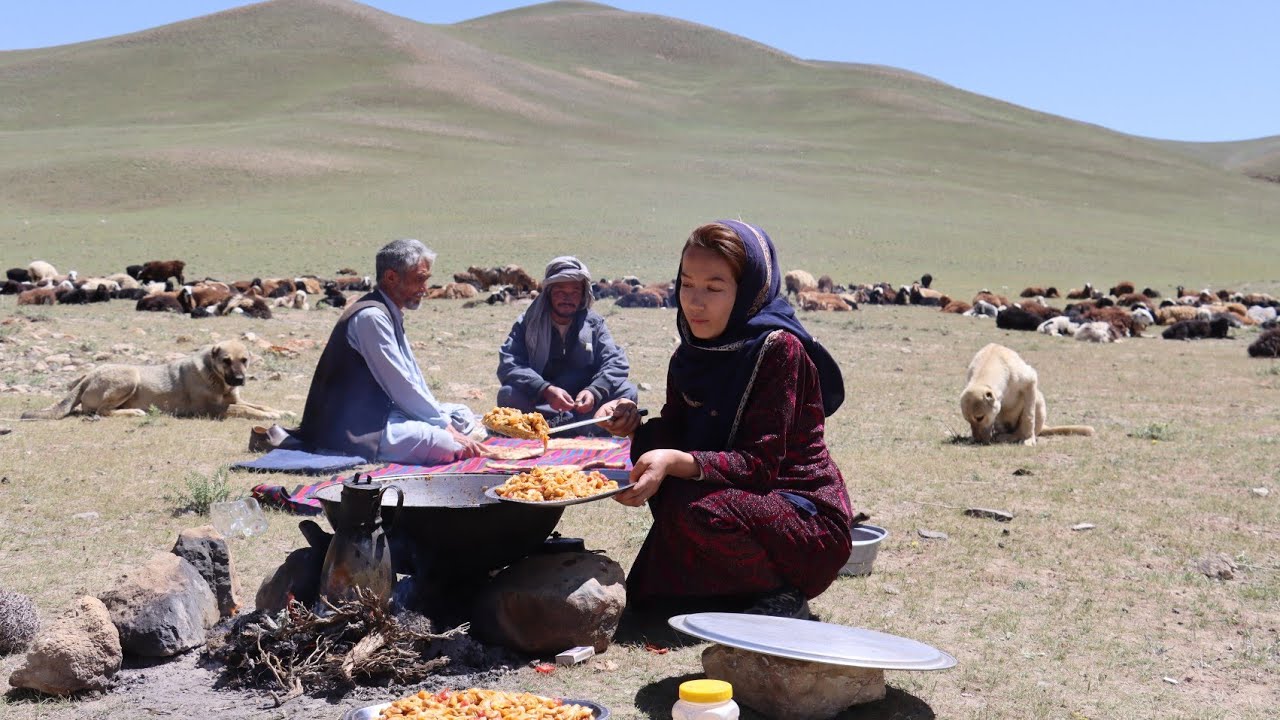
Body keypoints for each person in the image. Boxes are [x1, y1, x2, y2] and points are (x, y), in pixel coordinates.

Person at [602, 221, 853, 619]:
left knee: (691, 502)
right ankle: (732, 595)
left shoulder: (778, 350)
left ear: (749, 291)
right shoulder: (690, 356)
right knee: (650, 601)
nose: (695, 302)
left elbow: (758, 465)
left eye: (714, 288)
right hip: (735, 504)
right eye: (686, 284)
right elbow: (674, 432)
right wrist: (632, 427)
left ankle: (780, 593)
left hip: (804, 523)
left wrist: (673, 461)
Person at [296, 238, 489, 464]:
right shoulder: (372, 318)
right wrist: (445, 428)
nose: (425, 290)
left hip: (383, 411)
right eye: (419, 280)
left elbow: (411, 377)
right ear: (390, 277)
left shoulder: (387, 312)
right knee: (444, 443)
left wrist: (443, 421)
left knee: (462, 415)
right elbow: (401, 385)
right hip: (354, 424)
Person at [496, 256, 638, 435]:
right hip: (544, 405)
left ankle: (573, 428)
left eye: (574, 292)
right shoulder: (529, 323)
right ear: (548, 293)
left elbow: (615, 361)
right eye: (560, 291)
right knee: (508, 394)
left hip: (585, 406)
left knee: (628, 391)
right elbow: (509, 363)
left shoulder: (593, 323)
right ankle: (572, 429)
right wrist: (545, 389)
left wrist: (594, 391)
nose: (567, 298)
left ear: (583, 295)